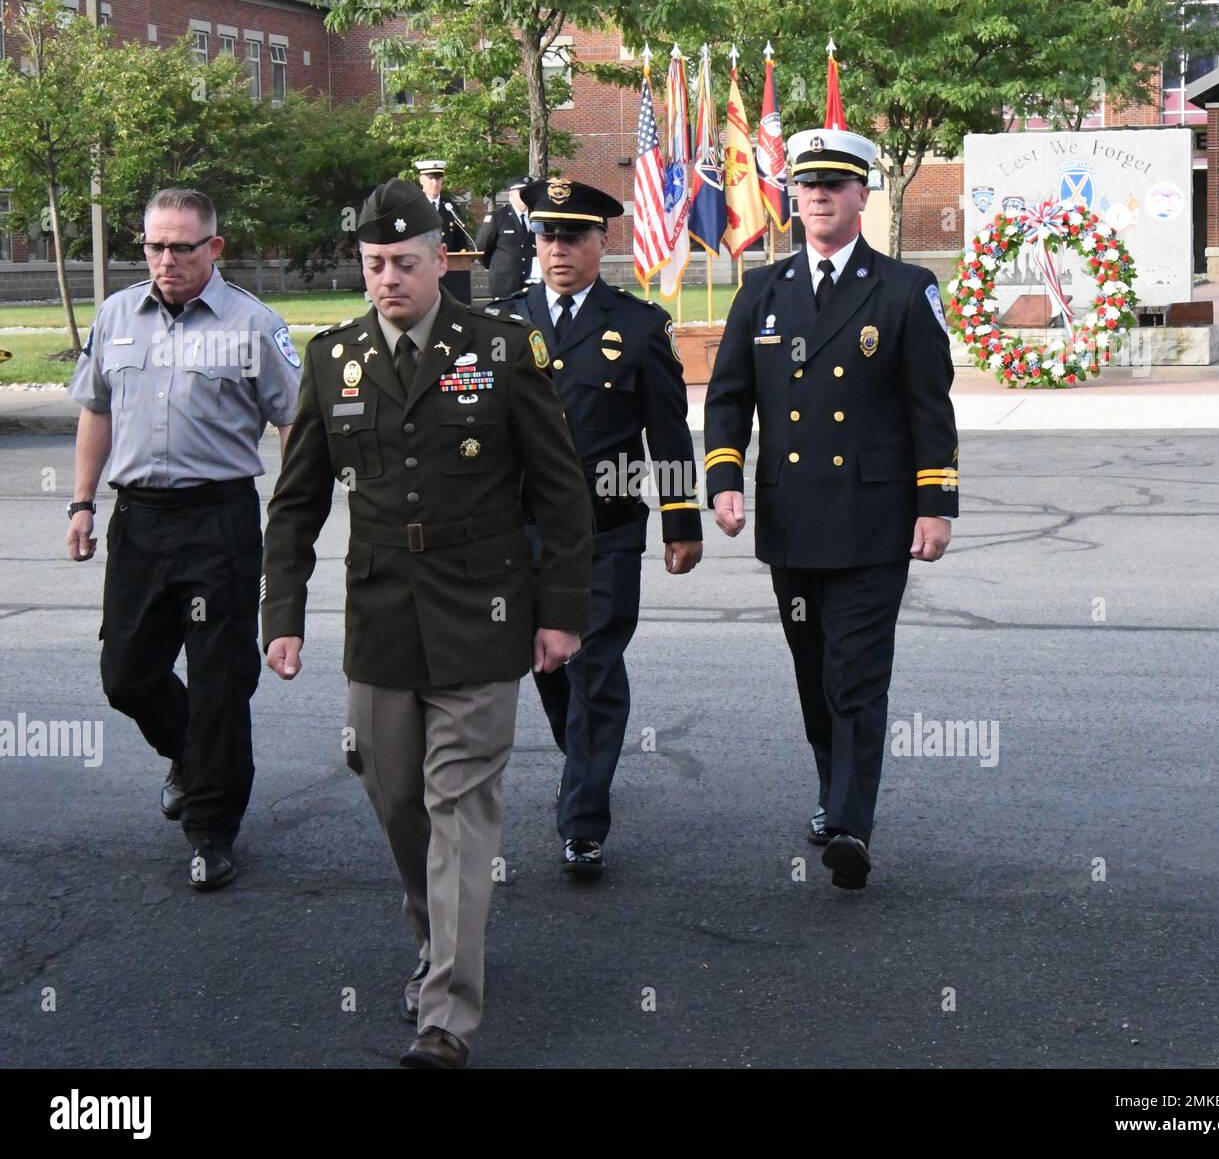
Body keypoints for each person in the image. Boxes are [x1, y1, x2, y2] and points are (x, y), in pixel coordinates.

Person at [260, 178, 591, 1069]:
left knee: (460, 802)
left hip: (482, 611)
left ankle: (446, 1010)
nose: (388, 280)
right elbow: (295, 506)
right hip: (380, 617)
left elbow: (560, 492)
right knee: (398, 796)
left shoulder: (503, 347)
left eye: (404, 263)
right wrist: (281, 614)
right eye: (373, 265)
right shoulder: (334, 359)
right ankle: (436, 933)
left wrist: (562, 611)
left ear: (442, 260)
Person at [703, 129, 958, 891]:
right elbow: (728, 397)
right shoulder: (763, 290)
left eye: (835, 184)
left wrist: (936, 502)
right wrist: (724, 478)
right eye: (807, 184)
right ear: (793, 196)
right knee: (813, 670)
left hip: (874, 522)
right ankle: (830, 785)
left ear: (861, 195)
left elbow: (929, 409)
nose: (818, 195)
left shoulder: (906, 291)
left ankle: (851, 822)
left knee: (856, 672)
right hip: (791, 521)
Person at [66, 187, 300, 891]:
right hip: (138, 521)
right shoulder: (116, 315)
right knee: (126, 673)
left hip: (218, 521)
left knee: (221, 679)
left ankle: (211, 830)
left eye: (182, 247)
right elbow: (96, 412)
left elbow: (295, 419)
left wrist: (292, 511)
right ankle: (193, 757)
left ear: (214, 248)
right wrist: (81, 502)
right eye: (154, 246)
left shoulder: (253, 324)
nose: (166, 260)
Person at [492, 178, 702, 878]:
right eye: (547, 235)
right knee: (546, 663)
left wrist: (681, 519)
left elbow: (669, 434)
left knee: (594, 667)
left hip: (607, 529)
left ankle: (583, 819)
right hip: (518, 532)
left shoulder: (638, 327)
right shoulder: (502, 323)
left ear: (599, 243)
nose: (558, 248)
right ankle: (580, 760)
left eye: (573, 236)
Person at [475, 175, 536, 299]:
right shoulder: (497, 218)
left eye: (528, 192)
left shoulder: (536, 217)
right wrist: (495, 265)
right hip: (505, 284)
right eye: (522, 192)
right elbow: (481, 249)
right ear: (511, 196)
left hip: (532, 285)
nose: (526, 196)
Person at [414, 159, 475, 253]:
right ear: (421, 180)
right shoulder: (413, 206)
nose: (435, 183)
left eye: (438, 179)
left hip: (447, 264)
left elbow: (460, 241)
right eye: (430, 178)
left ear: (442, 180)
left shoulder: (450, 206)